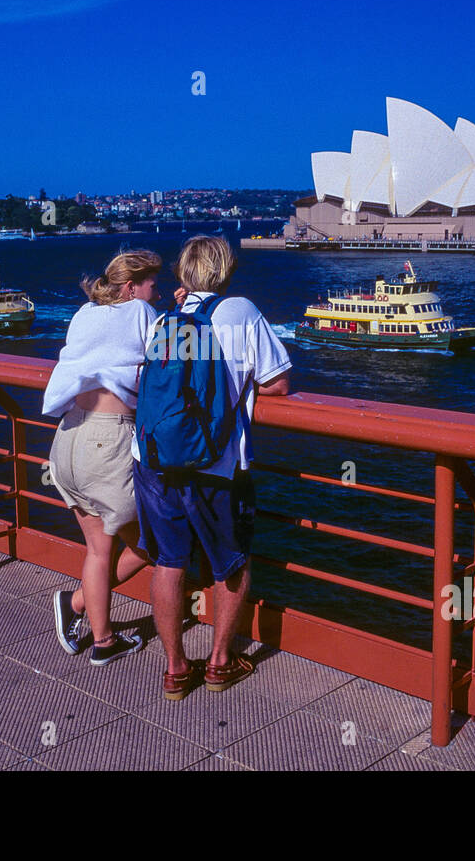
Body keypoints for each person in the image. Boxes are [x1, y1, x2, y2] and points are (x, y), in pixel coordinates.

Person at [134, 236, 291, 700]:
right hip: (215, 466)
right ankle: (221, 663)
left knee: (167, 563)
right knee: (231, 563)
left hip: (156, 460)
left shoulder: (166, 318)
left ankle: (176, 670)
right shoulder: (239, 310)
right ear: (225, 272)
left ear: (183, 274)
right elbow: (278, 382)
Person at [43, 250, 161, 665]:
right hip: (108, 442)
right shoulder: (141, 313)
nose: (156, 293)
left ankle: (102, 636)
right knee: (154, 541)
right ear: (132, 288)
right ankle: (77, 604)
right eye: (152, 285)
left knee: (98, 549)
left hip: (69, 436)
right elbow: (167, 366)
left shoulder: (85, 313)